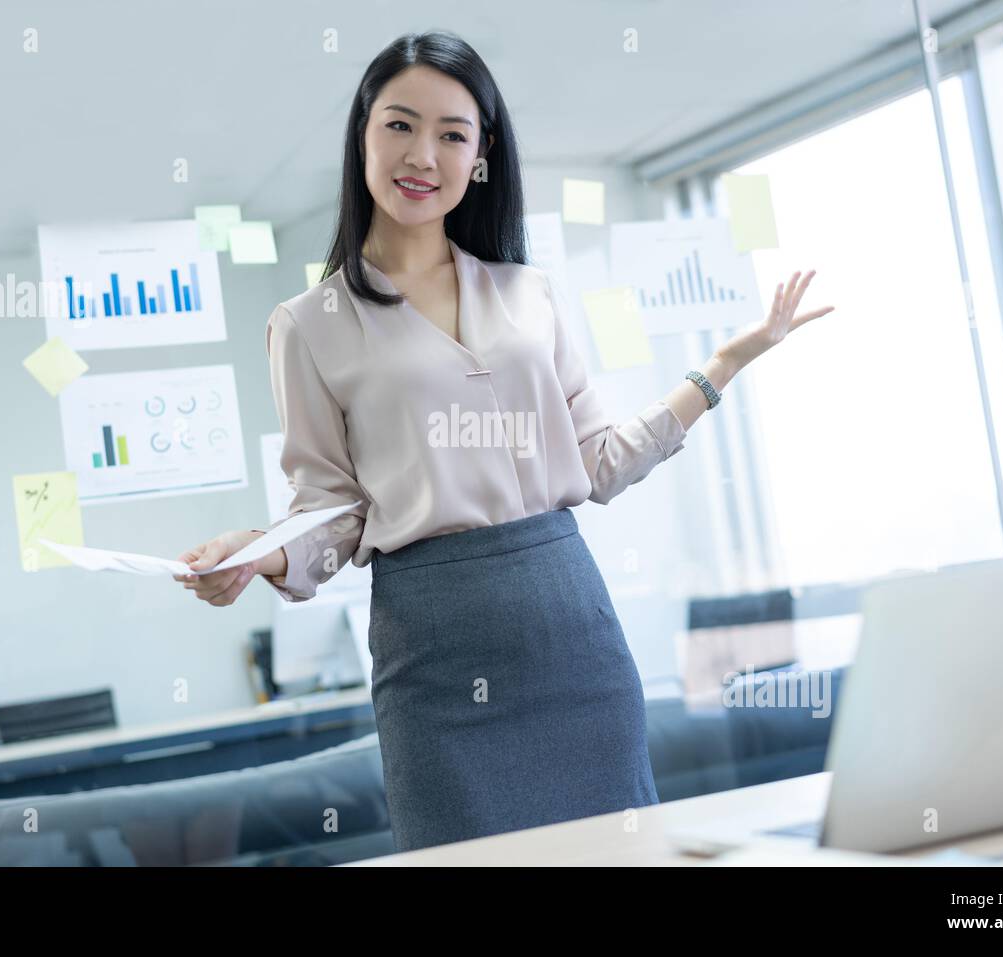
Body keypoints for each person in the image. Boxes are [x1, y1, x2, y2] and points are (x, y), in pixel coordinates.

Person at [174, 31, 834, 853]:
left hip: (575, 639)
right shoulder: (309, 326)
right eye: (400, 125)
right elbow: (332, 515)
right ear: (363, 135)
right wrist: (260, 550)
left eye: (453, 133)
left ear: (481, 156)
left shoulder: (530, 294)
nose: (424, 154)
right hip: (437, 666)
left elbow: (598, 463)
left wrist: (722, 367)